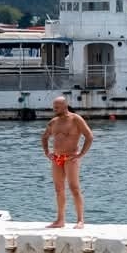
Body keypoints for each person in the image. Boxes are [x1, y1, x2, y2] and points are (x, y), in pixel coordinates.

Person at [40, 96, 95, 228]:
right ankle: (60, 220)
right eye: (54, 106)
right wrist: (47, 152)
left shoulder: (76, 119)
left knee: (74, 188)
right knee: (59, 189)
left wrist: (81, 154)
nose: (54, 109)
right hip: (57, 158)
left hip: (71, 157)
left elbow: (89, 136)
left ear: (65, 106)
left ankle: (80, 220)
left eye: (57, 107)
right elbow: (44, 137)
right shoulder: (53, 122)